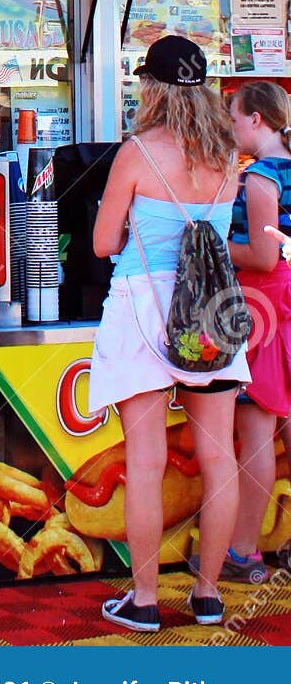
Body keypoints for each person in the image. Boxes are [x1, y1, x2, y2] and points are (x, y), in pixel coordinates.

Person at [89, 34, 247, 632]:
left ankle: (146, 600)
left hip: (143, 307)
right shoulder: (227, 154)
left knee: (147, 459)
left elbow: (104, 245)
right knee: (219, 456)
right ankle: (208, 595)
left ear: (149, 88)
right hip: (211, 308)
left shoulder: (139, 151)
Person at [220, 81, 291, 580]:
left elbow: (264, 256)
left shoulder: (263, 176)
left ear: (257, 121)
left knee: (258, 430)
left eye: (235, 117)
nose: (231, 126)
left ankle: (243, 551)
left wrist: (213, 243)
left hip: (264, 304)